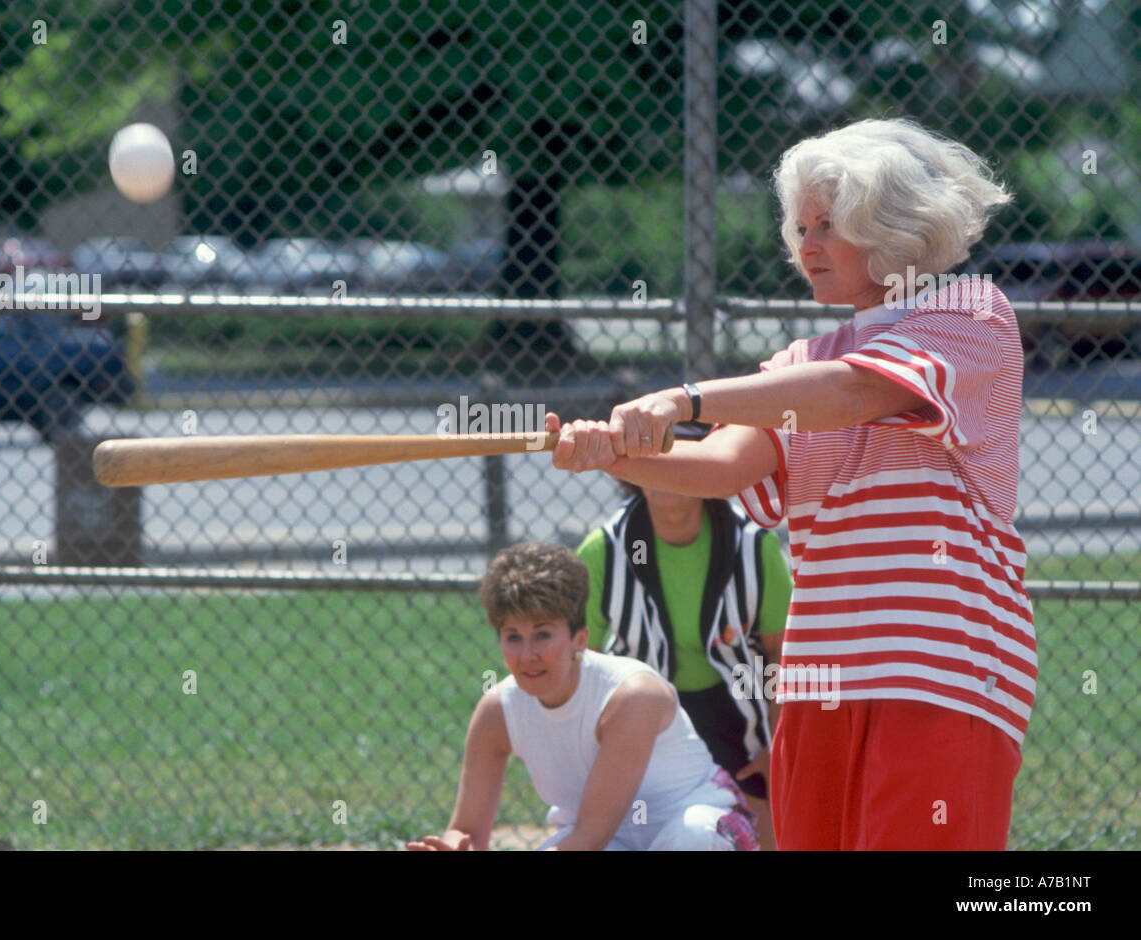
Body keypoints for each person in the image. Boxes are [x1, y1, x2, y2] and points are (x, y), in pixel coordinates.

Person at [548, 117, 1034, 851]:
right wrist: (606, 454)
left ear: (893, 223)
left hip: (940, 669)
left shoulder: (970, 317)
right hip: (820, 676)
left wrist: (683, 400)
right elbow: (721, 467)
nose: (804, 245)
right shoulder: (801, 360)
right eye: (800, 225)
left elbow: (851, 395)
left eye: (828, 225)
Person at [406, 542, 758, 851]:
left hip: (702, 828)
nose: (527, 654)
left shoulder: (631, 693)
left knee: (692, 837)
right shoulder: (499, 709)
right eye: (513, 636)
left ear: (580, 638)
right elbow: (467, 830)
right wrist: (452, 847)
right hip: (604, 841)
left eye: (542, 634)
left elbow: (589, 837)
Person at [576, 421, 792, 850]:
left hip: (739, 725)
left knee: (773, 833)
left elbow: (783, 658)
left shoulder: (754, 547)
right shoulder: (603, 551)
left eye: (676, 453)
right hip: (645, 727)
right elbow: (581, 664)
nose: (660, 467)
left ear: (708, 466)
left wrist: (778, 751)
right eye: (645, 456)